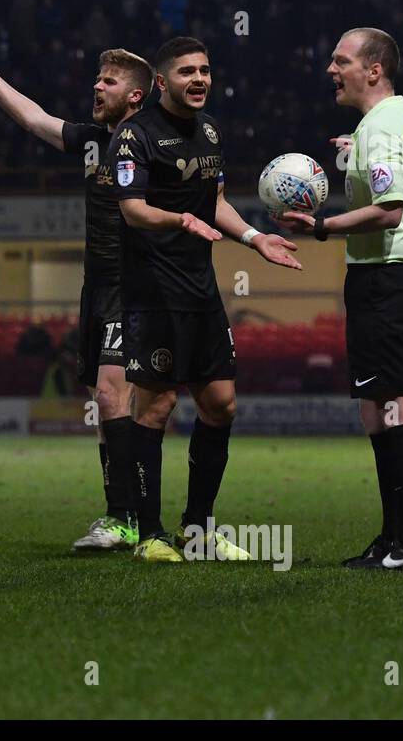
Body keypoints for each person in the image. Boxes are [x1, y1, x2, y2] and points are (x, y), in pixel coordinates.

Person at [106, 35, 302, 563]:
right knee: (157, 405)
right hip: (153, 292)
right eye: (188, 72)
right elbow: (132, 209)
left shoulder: (212, 131)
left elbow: (214, 201)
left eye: (206, 71)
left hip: (199, 290)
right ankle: (149, 535)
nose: (199, 80)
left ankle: (198, 533)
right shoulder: (133, 136)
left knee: (221, 404)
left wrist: (256, 239)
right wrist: (179, 219)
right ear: (161, 83)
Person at [0, 36, 150, 551]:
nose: (97, 85)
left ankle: (128, 517)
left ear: (135, 96)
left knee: (113, 395)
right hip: (97, 288)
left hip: (135, 289)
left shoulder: (154, 142)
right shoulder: (92, 140)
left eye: (109, 81)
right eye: (98, 77)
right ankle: (128, 516)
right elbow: (34, 119)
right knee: (103, 403)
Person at [281, 26, 403, 571]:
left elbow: (390, 208)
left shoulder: (379, 128)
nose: (331, 69)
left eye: (340, 60)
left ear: (373, 70)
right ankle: (392, 537)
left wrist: (319, 226)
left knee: (395, 405)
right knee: (378, 410)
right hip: (398, 277)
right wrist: (361, 152)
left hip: (388, 279)